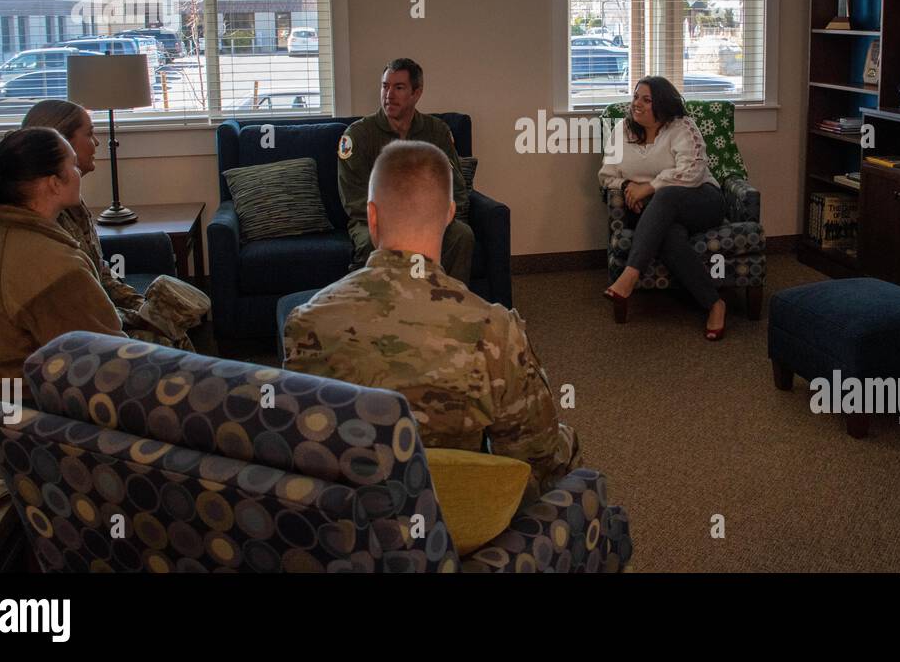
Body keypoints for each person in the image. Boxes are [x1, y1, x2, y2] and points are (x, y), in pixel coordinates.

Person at [285, 140, 578, 499]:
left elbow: (299, 444)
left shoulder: (305, 321)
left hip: (350, 527)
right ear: (450, 213)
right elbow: (537, 458)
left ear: (372, 217)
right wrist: (567, 440)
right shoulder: (495, 329)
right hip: (459, 526)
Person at [21, 100, 207, 350]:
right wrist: (143, 319)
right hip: (73, 341)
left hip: (97, 316)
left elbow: (100, 273)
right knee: (167, 337)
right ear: (63, 142)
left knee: (173, 329)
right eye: (89, 134)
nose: (97, 143)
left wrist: (140, 306)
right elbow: (78, 312)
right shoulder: (39, 226)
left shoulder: (71, 202)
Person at [0, 127, 124, 380]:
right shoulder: (56, 265)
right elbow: (109, 359)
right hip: (31, 400)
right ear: (54, 183)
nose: (79, 173)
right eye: (74, 166)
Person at [599, 76, 728, 340]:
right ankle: (715, 304)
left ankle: (630, 275)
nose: (637, 104)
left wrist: (648, 188)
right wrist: (627, 186)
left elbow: (692, 171)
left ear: (663, 105)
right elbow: (606, 175)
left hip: (701, 200)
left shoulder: (682, 127)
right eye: (636, 97)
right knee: (669, 236)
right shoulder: (622, 130)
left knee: (666, 196)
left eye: (646, 100)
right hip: (654, 211)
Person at [337, 58, 473, 282]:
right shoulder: (358, 135)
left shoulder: (436, 132)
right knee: (371, 242)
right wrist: (399, 223)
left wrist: (431, 220)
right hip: (376, 222)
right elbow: (353, 198)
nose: (389, 94)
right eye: (385, 86)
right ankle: (378, 312)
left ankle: (450, 306)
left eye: (398, 87)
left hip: (428, 220)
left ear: (416, 93)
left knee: (461, 235)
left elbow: (455, 187)